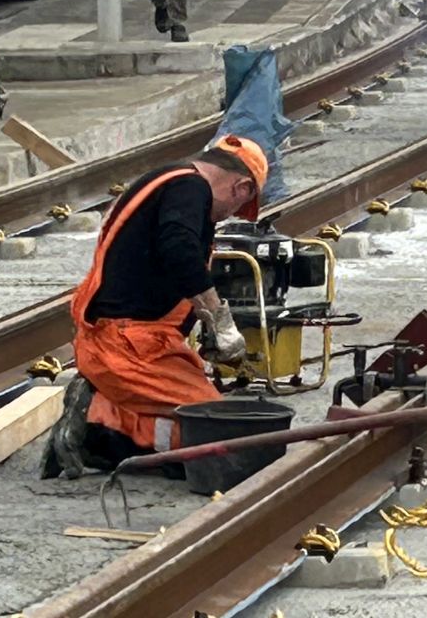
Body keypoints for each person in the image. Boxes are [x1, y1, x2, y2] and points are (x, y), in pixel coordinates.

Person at [43, 135, 270, 479]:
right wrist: (221, 321)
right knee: (214, 433)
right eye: (236, 208)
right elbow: (179, 252)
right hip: (129, 347)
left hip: (129, 339)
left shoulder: (170, 182)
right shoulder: (190, 190)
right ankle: (95, 426)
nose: (226, 216)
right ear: (241, 188)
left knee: (200, 419)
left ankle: (102, 409)